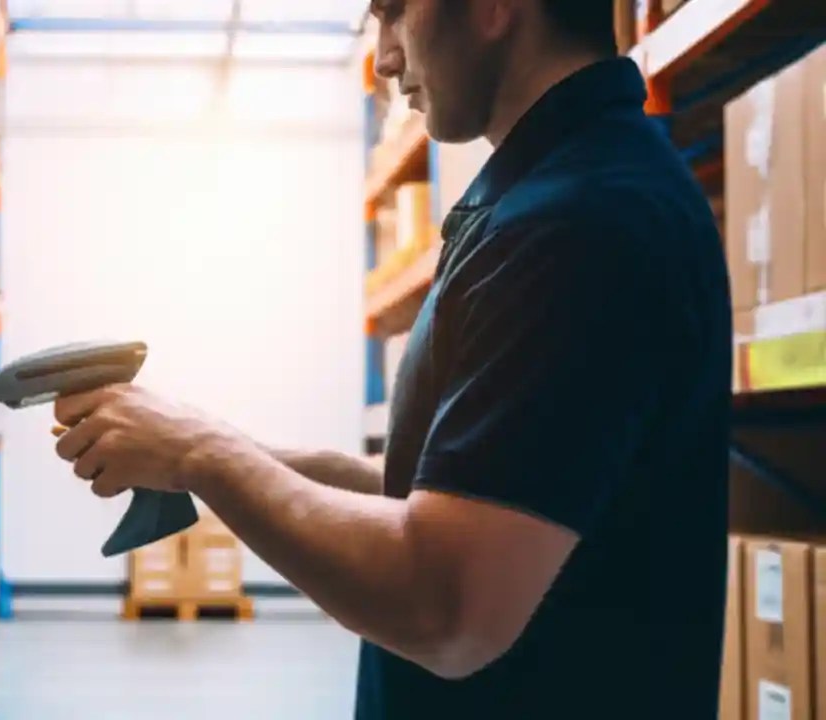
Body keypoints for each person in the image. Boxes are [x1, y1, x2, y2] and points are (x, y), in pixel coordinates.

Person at [51, 0, 731, 717]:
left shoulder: (580, 224)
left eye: (395, 12)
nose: (384, 57)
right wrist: (193, 440)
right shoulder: (558, 193)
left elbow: (445, 608)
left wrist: (202, 454)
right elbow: (459, 496)